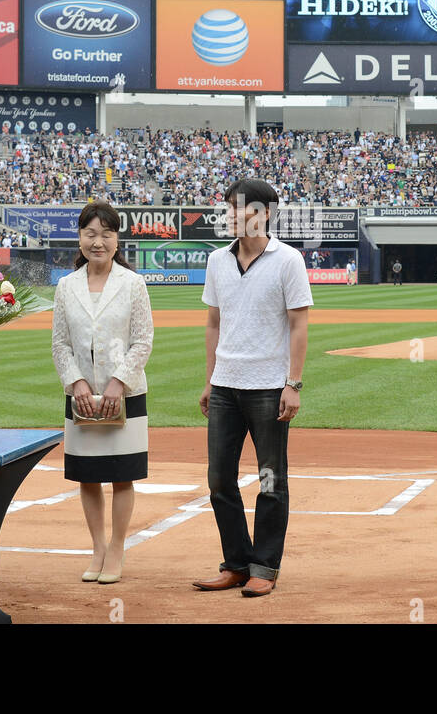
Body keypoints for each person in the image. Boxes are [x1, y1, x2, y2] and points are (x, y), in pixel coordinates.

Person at [195, 178, 312, 598]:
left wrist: (292, 384)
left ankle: (265, 565)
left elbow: (299, 325)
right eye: (227, 208)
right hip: (225, 386)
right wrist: (210, 379)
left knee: (270, 480)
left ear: (263, 214)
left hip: (268, 387)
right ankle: (237, 562)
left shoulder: (288, 260)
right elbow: (213, 322)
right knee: (219, 481)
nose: (229, 215)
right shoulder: (216, 261)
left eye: (237, 208)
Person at [51, 201, 154, 585]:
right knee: (88, 476)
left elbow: (143, 340)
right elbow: (60, 344)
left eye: (106, 235)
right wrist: (75, 381)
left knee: (121, 476)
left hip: (124, 392)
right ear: (80, 238)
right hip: (80, 394)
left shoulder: (133, 284)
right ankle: (97, 547)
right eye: (91, 234)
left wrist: (118, 382)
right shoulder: (66, 286)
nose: (98, 242)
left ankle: (117, 548)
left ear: (116, 240)